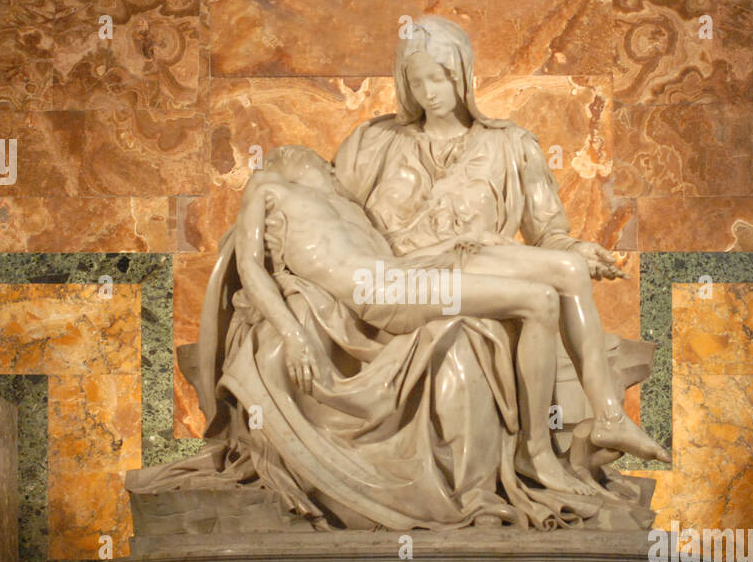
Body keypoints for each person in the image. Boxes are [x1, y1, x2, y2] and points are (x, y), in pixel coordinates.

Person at [334, 15, 670, 463]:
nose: (429, 92)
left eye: (438, 77)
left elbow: (547, 232)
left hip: (472, 263)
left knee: (568, 267)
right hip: (402, 279)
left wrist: (576, 248)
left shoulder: (512, 145)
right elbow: (328, 212)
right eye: (417, 81)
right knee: (534, 293)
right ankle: (557, 443)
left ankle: (609, 418)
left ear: (462, 76)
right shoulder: (374, 142)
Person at [236, 144, 606, 499]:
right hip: (377, 291)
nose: (331, 170)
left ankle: (606, 417)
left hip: (399, 277)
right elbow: (249, 264)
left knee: (557, 277)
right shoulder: (268, 184)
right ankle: (537, 453)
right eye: (322, 163)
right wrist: (293, 334)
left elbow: (390, 263)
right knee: (537, 301)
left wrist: (463, 240)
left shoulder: (350, 209)